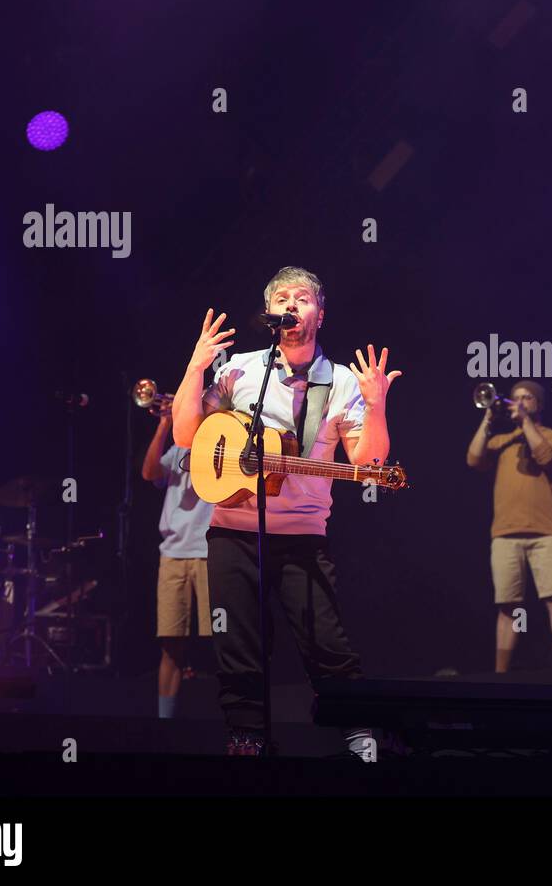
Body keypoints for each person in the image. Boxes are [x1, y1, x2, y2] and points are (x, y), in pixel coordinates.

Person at [172, 266, 400, 756]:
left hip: (302, 537)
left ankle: (359, 734)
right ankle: (246, 736)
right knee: (237, 645)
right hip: (232, 531)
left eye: (302, 298)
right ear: (270, 312)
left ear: (321, 313)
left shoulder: (339, 381)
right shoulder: (238, 369)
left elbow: (370, 463)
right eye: (281, 298)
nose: (291, 305)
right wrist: (195, 368)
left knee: (326, 642)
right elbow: (188, 435)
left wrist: (375, 405)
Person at [467, 381, 552, 673]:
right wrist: (488, 419)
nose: (519, 402)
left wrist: (526, 423)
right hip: (505, 533)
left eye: (527, 398)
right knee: (507, 607)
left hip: (548, 533)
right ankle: (500, 676)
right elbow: (473, 458)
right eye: (515, 398)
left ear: (538, 405)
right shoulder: (504, 440)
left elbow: (547, 460)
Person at [141, 393, 213, 719]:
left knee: (224, 642)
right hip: (172, 555)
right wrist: (165, 424)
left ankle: (234, 723)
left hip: (210, 554)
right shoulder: (177, 450)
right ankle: (164, 724)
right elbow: (149, 472)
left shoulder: (221, 444)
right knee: (171, 645)